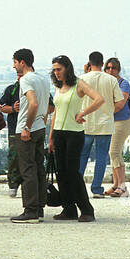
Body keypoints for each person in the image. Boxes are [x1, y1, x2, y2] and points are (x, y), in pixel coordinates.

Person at [47, 54, 103, 221]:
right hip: (59, 133)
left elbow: (99, 99)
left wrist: (83, 112)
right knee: (61, 173)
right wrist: (50, 137)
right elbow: (56, 112)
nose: (56, 72)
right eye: (54, 69)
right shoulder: (58, 86)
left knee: (73, 172)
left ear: (67, 68)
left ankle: (87, 210)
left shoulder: (79, 84)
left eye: (59, 69)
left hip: (74, 134)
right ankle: (68, 208)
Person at [9, 48, 51, 223]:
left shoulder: (26, 80)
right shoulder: (43, 79)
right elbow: (47, 104)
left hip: (28, 129)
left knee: (27, 169)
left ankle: (30, 210)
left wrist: (26, 126)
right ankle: (39, 206)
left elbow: (32, 103)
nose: (14, 66)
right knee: (38, 167)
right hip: (40, 126)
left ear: (22, 62)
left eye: (15, 62)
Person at [77, 51, 125, 198]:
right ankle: (97, 188)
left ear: (89, 63)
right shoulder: (111, 80)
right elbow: (119, 101)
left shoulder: (81, 79)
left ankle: (77, 186)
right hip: (105, 123)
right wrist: (110, 111)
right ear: (102, 64)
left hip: (85, 123)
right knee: (101, 157)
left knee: (82, 156)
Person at [105, 57, 130, 197]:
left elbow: (120, 104)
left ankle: (122, 186)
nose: (111, 71)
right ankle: (116, 184)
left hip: (122, 121)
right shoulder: (106, 83)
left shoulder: (123, 83)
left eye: (113, 68)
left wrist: (103, 110)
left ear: (118, 69)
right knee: (114, 154)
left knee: (114, 152)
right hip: (111, 121)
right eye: (108, 68)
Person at [0, 67, 23, 197]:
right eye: (18, 75)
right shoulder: (11, 89)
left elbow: (50, 107)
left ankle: (28, 185)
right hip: (14, 129)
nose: (19, 77)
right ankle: (13, 184)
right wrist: (13, 108)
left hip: (32, 128)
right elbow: (1, 107)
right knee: (14, 158)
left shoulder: (35, 88)